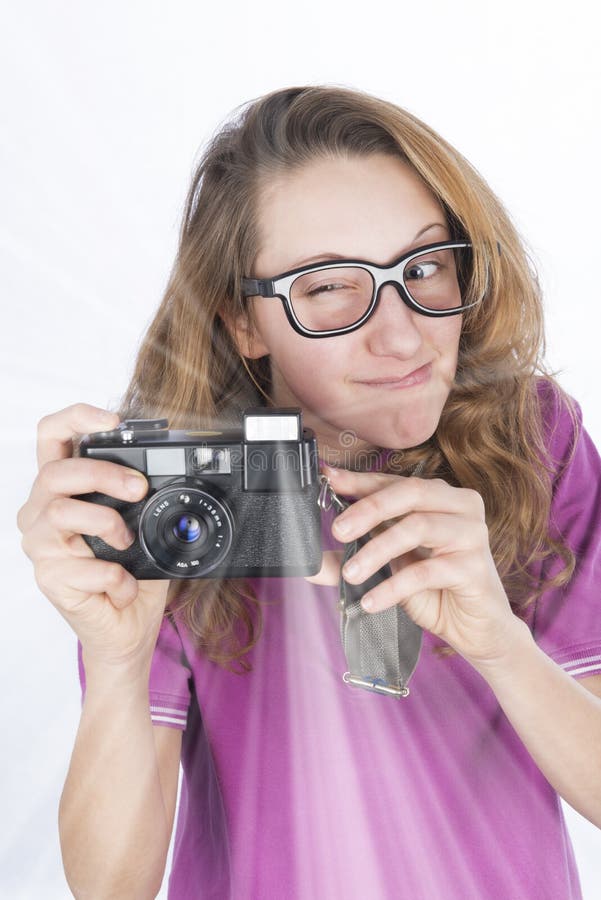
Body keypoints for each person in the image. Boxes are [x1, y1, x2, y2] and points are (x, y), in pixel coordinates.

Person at [17, 84, 601, 899]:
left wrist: (500, 645)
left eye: (424, 266)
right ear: (243, 322)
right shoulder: (177, 496)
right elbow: (111, 886)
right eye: (326, 288)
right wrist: (117, 663)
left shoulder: (530, 438)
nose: (401, 334)